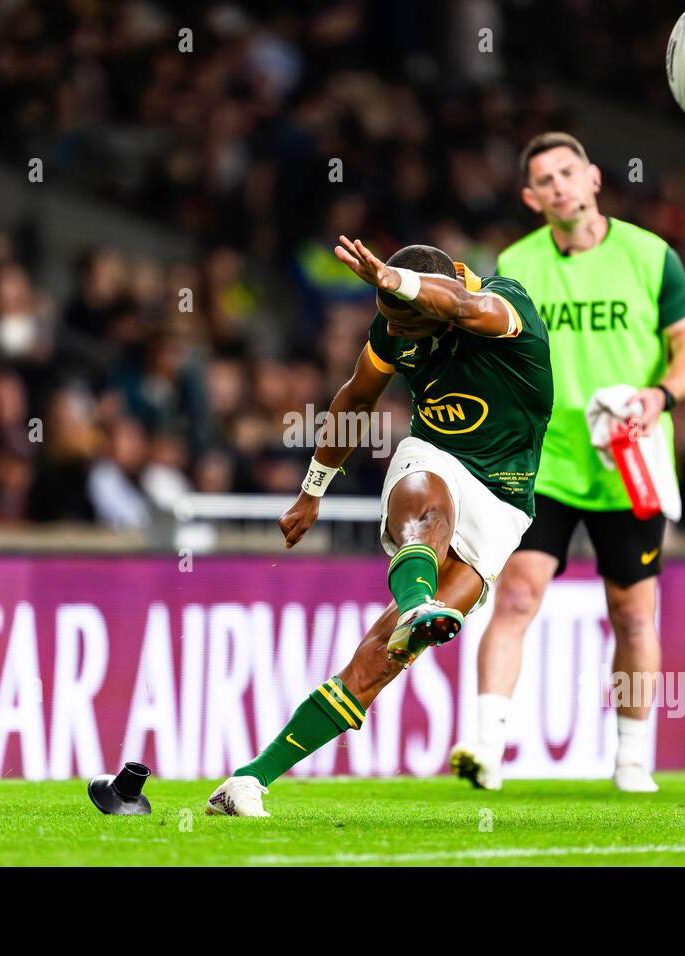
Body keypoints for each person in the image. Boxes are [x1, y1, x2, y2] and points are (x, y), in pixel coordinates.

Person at [206, 236, 552, 816]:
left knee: (377, 663)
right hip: (436, 457)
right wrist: (312, 490)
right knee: (424, 505)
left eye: (406, 320)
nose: (395, 330)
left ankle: (242, 780)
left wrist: (397, 284)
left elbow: (468, 310)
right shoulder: (395, 323)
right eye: (386, 316)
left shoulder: (502, 304)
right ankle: (417, 603)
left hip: (505, 499)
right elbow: (356, 397)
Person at [450, 133, 685, 793]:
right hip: (545, 462)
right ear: (530, 197)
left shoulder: (652, 257)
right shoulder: (515, 264)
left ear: (594, 178)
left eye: (570, 171)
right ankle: (484, 745)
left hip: (630, 460)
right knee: (514, 593)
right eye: (546, 179)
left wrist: (659, 395)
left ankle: (632, 757)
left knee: (631, 613)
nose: (561, 185)